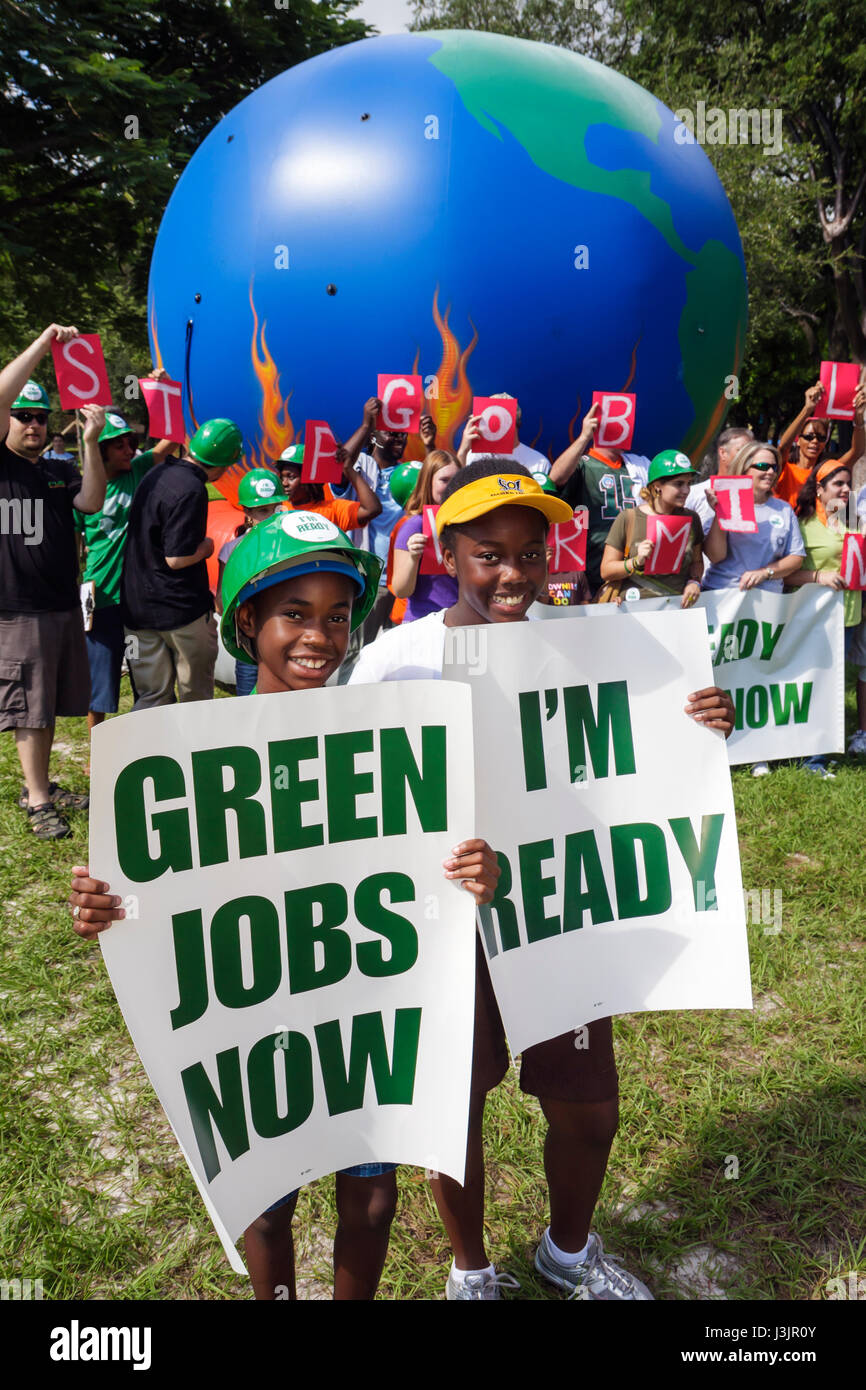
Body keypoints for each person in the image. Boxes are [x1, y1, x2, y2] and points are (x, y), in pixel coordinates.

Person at [69, 510, 499, 1299]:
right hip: (258, 1019)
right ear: (246, 622)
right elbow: (170, 893)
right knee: (266, 1204)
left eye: (338, 616)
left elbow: (434, 863)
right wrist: (111, 905)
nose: (321, 637)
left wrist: (478, 871)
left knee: (371, 1200)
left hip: (362, 1008)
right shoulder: (196, 750)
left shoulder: (383, 738)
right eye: (295, 614)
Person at [351, 459, 736, 1301]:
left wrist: (705, 719)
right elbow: (348, 808)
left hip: (561, 909)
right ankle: (471, 1268)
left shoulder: (593, 648)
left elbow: (652, 743)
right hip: (444, 926)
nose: (514, 574)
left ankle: (567, 1252)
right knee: (454, 1114)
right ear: (445, 550)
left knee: (589, 1107)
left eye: (532, 553)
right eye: (490, 553)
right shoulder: (397, 660)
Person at [0, 324, 107, 840]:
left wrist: (89, 442)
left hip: (59, 604)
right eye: (23, 416)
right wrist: (45, 344)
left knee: (51, 703)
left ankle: (38, 783)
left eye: (41, 417)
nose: (34, 424)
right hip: (17, 608)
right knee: (30, 705)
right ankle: (39, 799)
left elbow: (91, 501)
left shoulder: (56, 470)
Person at [121, 418, 242, 709]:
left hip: (137, 607)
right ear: (224, 464)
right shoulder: (192, 488)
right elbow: (176, 558)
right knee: (196, 698)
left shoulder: (158, 470)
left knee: (151, 697)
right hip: (180, 611)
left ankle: (151, 752)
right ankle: (196, 752)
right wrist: (207, 547)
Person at [702, 441, 806, 778]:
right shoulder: (730, 505)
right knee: (722, 675)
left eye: (773, 466)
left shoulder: (782, 510)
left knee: (758, 676)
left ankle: (758, 748)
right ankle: (719, 745)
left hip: (766, 604)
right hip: (724, 601)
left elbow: (796, 557)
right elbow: (715, 556)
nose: (769, 472)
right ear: (744, 469)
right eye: (761, 466)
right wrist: (719, 515)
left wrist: (766, 572)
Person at [76, 406, 176, 731]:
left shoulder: (139, 468)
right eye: (119, 445)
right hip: (99, 599)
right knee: (99, 678)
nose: (129, 450)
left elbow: (171, 440)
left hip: (138, 599)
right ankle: (96, 751)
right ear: (100, 449)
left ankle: (149, 742)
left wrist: (158, 394)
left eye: (130, 443)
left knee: (145, 672)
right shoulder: (81, 489)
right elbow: (74, 544)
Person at [786, 460, 866, 765]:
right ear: (819, 490)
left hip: (848, 618)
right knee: (815, 687)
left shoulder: (853, 522)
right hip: (815, 620)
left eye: (848, 484)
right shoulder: (803, 526)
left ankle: (816, 753)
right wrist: (819, 577)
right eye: (838, 484)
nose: (846, 490)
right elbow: (788, 575)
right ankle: (811, 759)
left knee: (830, 688)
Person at [549, 403, 649, 595]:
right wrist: (585, 436)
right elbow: (556, 478)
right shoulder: (583, 465)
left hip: (633, 569)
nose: (619, 425)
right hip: (592, 569)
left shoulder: (640, 465)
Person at [215, 467, 287, 695]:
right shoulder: (231, 550)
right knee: (249, 707)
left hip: (285, 637)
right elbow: (220, 601)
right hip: (248, 642)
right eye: (261, 511)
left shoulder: (292, 546)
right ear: (247, 511)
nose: (268, 517)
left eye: (272, 510)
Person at [600, 449, 704, 606]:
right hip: (633, 610)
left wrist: (694, 581)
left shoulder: (692, 519)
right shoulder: (629, 518)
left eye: (689, 483)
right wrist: (636, 562)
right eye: (679, 484)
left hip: (678, 610)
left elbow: (697, 562)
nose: (686, 490)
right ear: (657, 486)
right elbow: (606, 570)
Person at [391, 449, 462, 621]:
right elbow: (401, 590)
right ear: (427, 482)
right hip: (423, 622)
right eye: (444, 480)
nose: (451, 486)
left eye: (456, 480)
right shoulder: (414, 525)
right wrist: (413, 558)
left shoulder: (467, 523)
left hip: (463, 621)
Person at [775, 381, 865, 508]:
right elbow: (783, 447)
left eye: (821, 438)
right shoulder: (784, 467)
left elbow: (857, 452)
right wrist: (808, 408)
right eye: (808, 437)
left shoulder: (827, 471)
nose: (815, 441)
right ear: (798, 440)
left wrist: (859, 418)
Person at [277, 442, 381, 533]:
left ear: (310, 477)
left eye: (291, 477)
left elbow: (371, 509)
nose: (284, 483)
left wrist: (348, 469)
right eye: (282, 477)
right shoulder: (277, 509)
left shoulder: (332, 509)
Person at [686, 426, 754, 534]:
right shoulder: (694, 493)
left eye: (751, 453)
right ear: (723, 453)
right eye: (741, 451)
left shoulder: (756, 496)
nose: (747, 457)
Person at [465, 393, 552, 473]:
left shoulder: (539, 462)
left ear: (515, 421)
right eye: (488, 419)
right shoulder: (475, 456)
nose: (495, 424)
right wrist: (463, 450)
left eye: (502, 418)